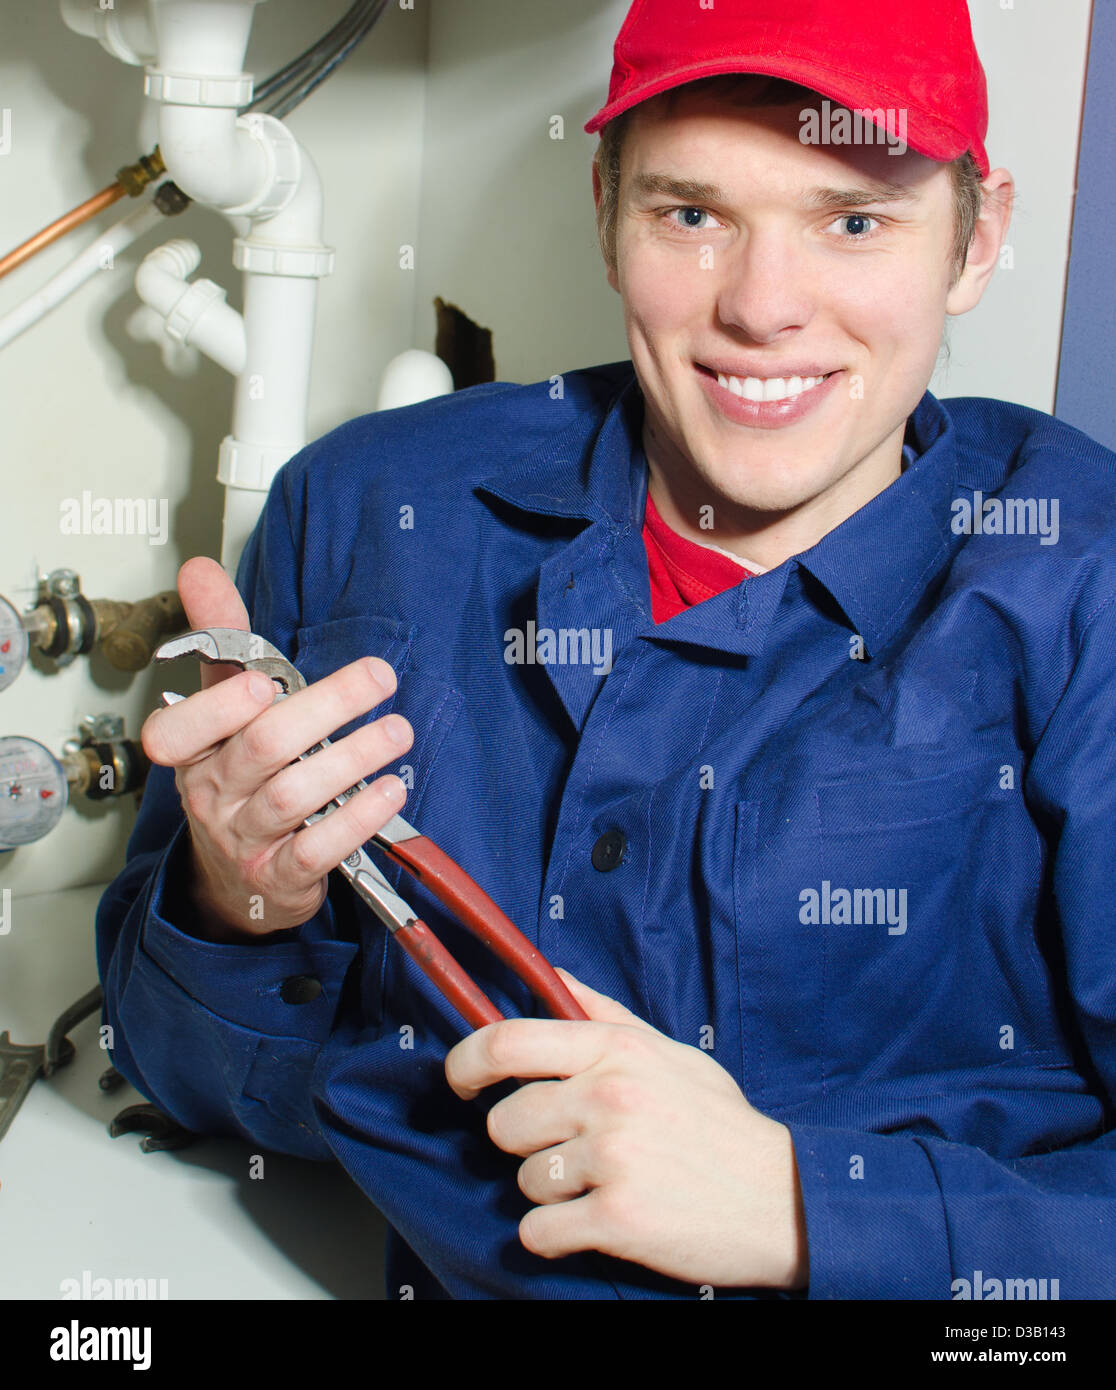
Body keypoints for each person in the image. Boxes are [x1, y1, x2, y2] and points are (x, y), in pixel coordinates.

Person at [96, 0, 1116, 1299]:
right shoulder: (362, 511)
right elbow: (183, 1068)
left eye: (854, 219)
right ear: (606, 209)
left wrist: (807, 1210)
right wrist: (243, 897)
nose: (762, 306)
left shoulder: (1083, 581)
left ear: (979, 240)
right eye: (692, 214)